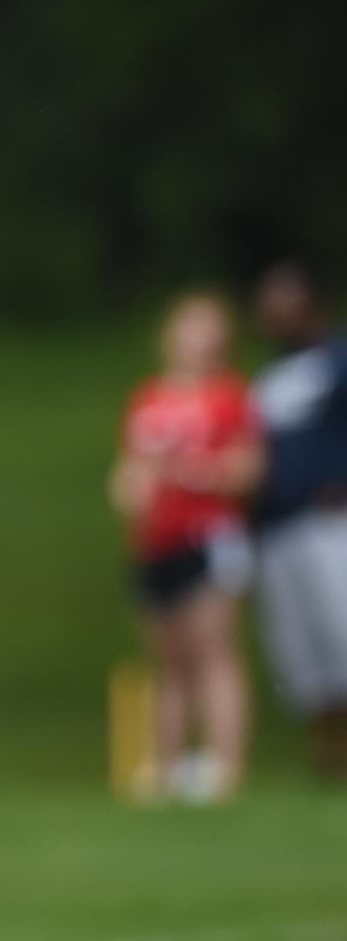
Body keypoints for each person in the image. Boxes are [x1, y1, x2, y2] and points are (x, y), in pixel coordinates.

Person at [109, 292, 263, 800]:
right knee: (168, 661)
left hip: (209, 539)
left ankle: (225, 769)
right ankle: (167, 769)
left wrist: (188, 474)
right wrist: (129, 489)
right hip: (155, 542)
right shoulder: (147, 399)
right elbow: (131, 469)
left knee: (213, 652)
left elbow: (247, 472)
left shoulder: (230, 397)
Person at [250, 261, 347, 779]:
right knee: (303, 653)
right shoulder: (266, 382)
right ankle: (330, 757)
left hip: (332, 523)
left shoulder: (338, 363)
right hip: (278, 529)